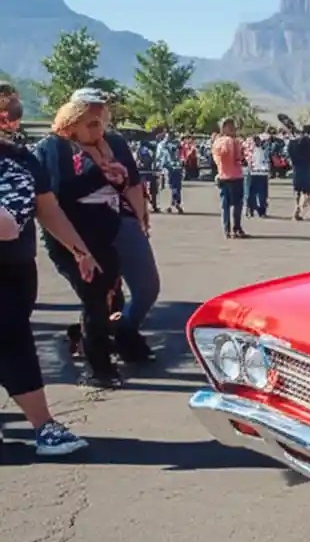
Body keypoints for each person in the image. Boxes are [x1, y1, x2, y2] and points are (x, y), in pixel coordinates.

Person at [0, 83, 97, 454]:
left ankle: (44, 428)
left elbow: (48, 210)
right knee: (15, 345)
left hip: (14, 270)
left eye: (12, 112)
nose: (11, 120)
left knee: (11, 341)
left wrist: (80, 250)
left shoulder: (23, 160)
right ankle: (44, 427)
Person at [34, 95, 145, 387]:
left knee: (112, 295)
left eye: (103, 123)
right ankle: (99, 368)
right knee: (95, 298)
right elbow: (60, 194)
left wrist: (118, 180)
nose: (100, 130)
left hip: (104, 235)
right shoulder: (54, 148)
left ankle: (85, 339)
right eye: (92, 124)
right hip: (71, 239)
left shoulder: (104, 146)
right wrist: (102, 176)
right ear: (71, 125)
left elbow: (123, 186)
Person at [211, 117, 248, 238]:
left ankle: (226, 229)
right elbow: (238, 158)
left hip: (222, 176)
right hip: (235, 176)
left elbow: (216, 159)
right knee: (237, 204)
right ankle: (237, 228)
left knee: (225, 205)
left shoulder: (216, 142)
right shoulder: (233, 141)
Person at [287, 125, 310, 220]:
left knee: (298, 191)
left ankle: (296, 211)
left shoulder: (292, 142)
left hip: (297, 168)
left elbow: (289, 154)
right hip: (307, 167)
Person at [155, 130, 184, 213]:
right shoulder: (177, 144)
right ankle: (175, 203)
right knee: (176, 186)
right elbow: (180, 156)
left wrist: (158, 166)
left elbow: (158, 157)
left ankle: (170, 205)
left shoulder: (161, 145)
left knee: (168, 186)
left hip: (167, 168)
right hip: (176, 167)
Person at [245, 133, 271, 218]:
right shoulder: (250, 150)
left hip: (262, 173)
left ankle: (261, 211)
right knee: (251, 193)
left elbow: (266, 160)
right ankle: (251, 209)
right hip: (254, 173)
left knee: (262, 194)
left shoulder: (264, 149)